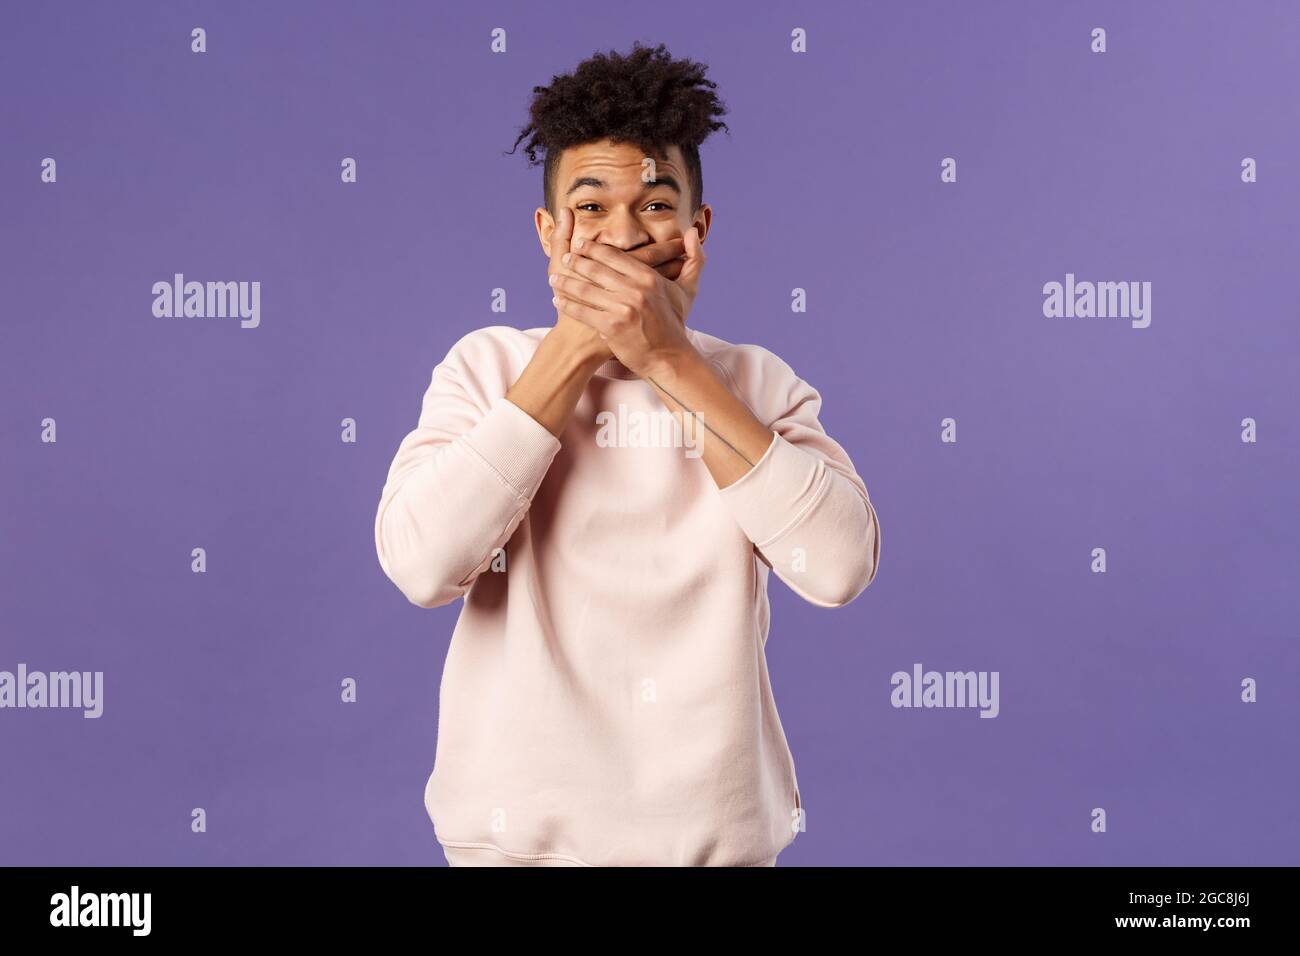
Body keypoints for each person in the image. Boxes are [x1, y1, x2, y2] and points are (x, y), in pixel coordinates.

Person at [373, 42, 881, 867]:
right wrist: (575, 347)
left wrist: (668, 362)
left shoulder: (754, 381)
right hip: (511, 851)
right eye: (591, 207)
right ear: (548, 233)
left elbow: (837, 567)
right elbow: (422, 566)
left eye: (652, 205)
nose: (621, 237)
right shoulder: (487, 369)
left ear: (696, 229)